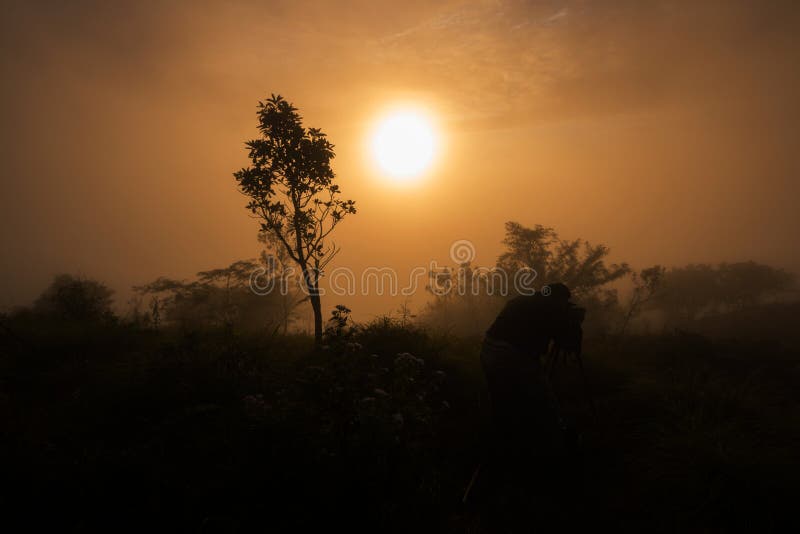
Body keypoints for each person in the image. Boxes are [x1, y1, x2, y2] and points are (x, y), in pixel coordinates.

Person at [480, 283, 576, 470]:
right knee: (542, 400)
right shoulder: (550, 309)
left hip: (489, 352)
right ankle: (550, 447)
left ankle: (503, 446)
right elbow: (567, 343)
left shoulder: (523, 300)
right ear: (558, 299)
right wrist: (570, 323)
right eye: (564, 302)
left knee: (503, 404)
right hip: (513, 356)